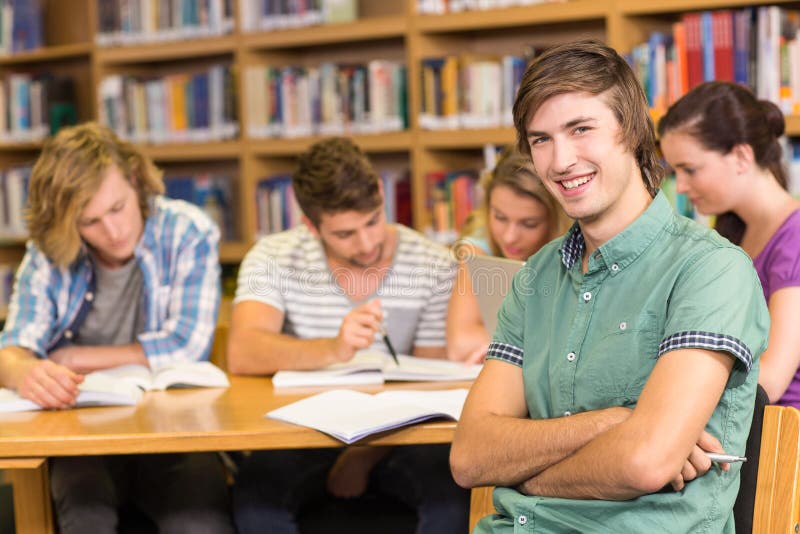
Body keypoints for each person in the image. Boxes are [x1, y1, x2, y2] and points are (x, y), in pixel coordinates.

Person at [449, 40, 769, 532]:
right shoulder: (533, 278)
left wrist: (523, 479)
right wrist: (617, 420)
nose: (561, 161)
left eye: (581, 129)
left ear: (633, 130)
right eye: (541, 139)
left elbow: (645, 462)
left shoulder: (712, 270)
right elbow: (470, 457)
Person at [0, 123, 233, 534]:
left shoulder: (186, 230)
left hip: (174, 427)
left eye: (117, 208)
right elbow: (14, 347)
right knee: (85, 516)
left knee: (198, 522)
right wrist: (24, 372)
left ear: (135, 179)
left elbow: (187, 346)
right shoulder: (49, 251)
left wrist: (75, 358)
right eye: (90, 221)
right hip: (81, 434)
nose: (112, 231)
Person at [227, 137, 467, 534]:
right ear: (311, 226)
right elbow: (243, 351)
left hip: (400, 437)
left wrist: (362, 456)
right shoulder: (272, 257)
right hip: (301, 434)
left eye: (373, 221)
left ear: (381, 195)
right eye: (345, 234)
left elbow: (432, 388)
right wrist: (334, 349)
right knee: (255, 503)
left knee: (452, 503)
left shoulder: (434, 264)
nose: (367, 243)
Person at [659, 81, 800, 406]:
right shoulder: (731, 231)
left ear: (740, 156)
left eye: (689, 169)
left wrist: (674, 381)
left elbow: (771, 379)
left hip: (777, 429)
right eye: (676, 172)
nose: (680, 187)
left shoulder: (793, 238)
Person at [447, 145, 568, 362]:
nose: (510, 237)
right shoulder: (478, 250)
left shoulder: (574, 252)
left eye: (529, 224)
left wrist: (502, 346)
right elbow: (460, 343)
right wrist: (538, 345)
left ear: (555, 221)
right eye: (500, 217)